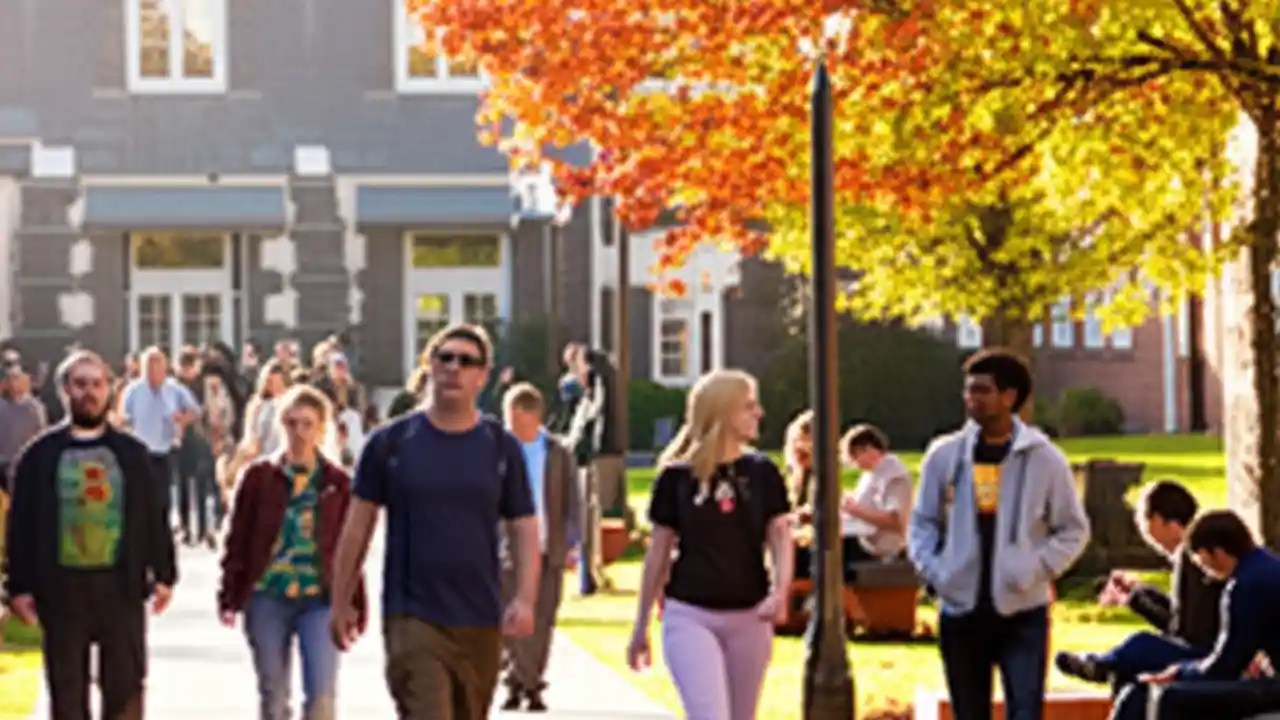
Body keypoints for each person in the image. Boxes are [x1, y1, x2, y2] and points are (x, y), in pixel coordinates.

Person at [327, 323, 539, 720]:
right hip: (413, 616)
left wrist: (525, 598)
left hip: (479, 616)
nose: (454, 368)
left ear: (483, 376)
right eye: (445, 358)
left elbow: (525, 525)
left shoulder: (500, 448)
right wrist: (341, 600)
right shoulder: (390, 444)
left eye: (466, 361)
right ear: (429, 366)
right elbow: (357, 527)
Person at [908, 348, 1090, 720]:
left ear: (1009, 397)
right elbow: (922, 521)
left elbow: (1073, 528)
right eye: (968, 391)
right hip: (960, 607)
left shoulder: (1045, 459)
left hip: (1023, 611)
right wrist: (937, 570)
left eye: (981, 391)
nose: (971, 399)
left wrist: (1035, 568)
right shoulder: (944, 455)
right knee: (968, 712)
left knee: (1025, 711)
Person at [5, 350, 177, 719]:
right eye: (80, 384)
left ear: (110, 390)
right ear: (65, 390)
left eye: (97, 384)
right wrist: (18, 587)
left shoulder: (132, 454)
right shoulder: (39, 457)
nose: (89, 392)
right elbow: (20, 525)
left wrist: (164, 574)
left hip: (120, 586)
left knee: (125, 686)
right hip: (62, 588)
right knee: (67, 692)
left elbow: (153, 515)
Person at [627, 369, 794, 720]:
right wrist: (640, 625)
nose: (759, 413)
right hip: (690, 613)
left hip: (750, 615)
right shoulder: (676, 478)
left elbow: (780, 536)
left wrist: (781, 592)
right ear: (723, 411)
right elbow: (658, 553)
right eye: (749, 406)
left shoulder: (763, 473)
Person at [217, 384, 367, 720]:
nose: (298, 432)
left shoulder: (337, 483)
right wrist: (229, 594)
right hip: (268, 595)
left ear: (321, 429)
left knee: (322, 697)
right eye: (291, 423)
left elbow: (350, 549)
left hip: (319, 598)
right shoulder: (258, 478)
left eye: (307, 424)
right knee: (273, 696)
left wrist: (354, 603)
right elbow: (237, 540)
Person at [1110, 510, 1280, 720]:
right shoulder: (1268, 566)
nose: (1205, 572)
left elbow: (1225, 665)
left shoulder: (1244, 586)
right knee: (1140, 691)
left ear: (1218, 553)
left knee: (1166, 697)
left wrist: (1179, 673)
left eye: (1203, 562)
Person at [1056, 480, 1223, 688]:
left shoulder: (1190, 557)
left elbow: (1183, 629)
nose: (1146, 535)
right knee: (1126, 674)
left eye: (1146, 523)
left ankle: (1103, 664)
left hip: (1206, 653)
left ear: (1159, 520)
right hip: (1206, 647)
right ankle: (1106, 667)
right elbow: (1180, 615)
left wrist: (1138, 599)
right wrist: (1138, 595)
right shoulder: (1197, 555)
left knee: (1142, 645)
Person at [499, 383, 582, 712]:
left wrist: (573, 542)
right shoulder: (501, 452)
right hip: (510, 549)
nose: (510, 426)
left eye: (515, 419)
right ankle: (521, 681)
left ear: (533, 417)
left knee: (543, 618)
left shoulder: (557, 453)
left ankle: (528, 683)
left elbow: (572, 501)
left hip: (549, 547)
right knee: (510, 618)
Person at [121, 346, 202, 538]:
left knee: (163, 497)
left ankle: (165, 531)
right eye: (149, 366)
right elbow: (124, 418)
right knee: (141, 496)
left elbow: (196, 411)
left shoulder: (174, 389)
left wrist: (182, 418)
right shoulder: (132, 390)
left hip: (166, 449)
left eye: (158, 366)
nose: (154, 371)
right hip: (140, 449)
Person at [839, 423, 913, 574]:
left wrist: (854, 509)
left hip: (880, 549)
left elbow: (896, 521)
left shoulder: (894, 476)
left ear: (868, 449)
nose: (854, 463)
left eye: (855, 455)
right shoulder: (871, 474)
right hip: (863, 540)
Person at [0, 364, 47, 491]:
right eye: (8, 379)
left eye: (16, 378)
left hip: (26, 466)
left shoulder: (34, 408)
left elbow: (41, 437)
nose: (12, 383)